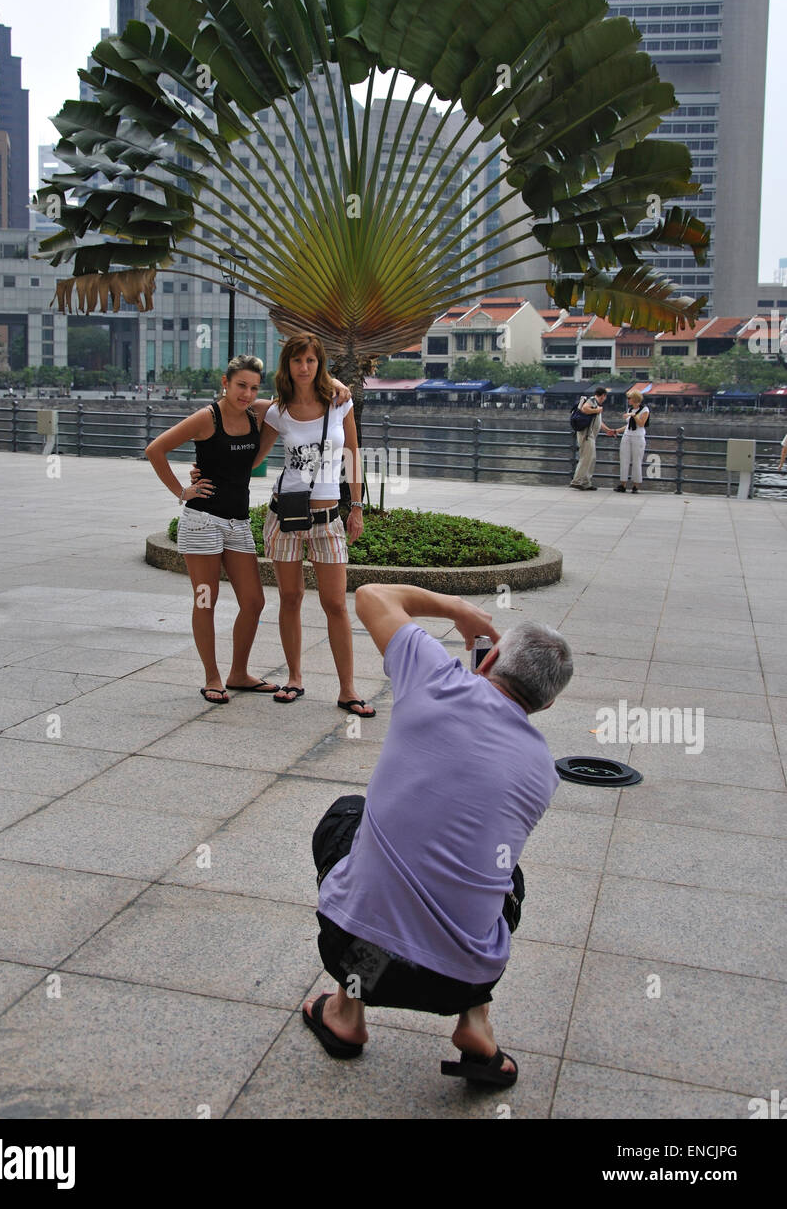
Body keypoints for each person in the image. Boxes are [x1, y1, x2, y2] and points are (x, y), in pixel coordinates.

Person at [302, 584, 573, 1087]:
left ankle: (346, 1015)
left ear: (487, 661)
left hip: (359, 953)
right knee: (504, 877)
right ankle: (476, 1022)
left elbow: (370, 596)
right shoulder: (543, 769)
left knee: (347, 815)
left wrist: (461, 610)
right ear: (547, 705)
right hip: (463, 979)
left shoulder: (436, 676)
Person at [145, 355, 279, 705]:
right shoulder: (208, 417)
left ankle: (238, 673)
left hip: (238, 523)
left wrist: (340, 388)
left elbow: (296, 398)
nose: (247, 393)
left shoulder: (256, 412)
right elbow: (155, 449)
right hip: (202, 521)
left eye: (253, 387)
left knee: (254, 601)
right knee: (206, 600)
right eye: (240, 386)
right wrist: (181, 491)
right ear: (225, 382)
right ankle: (212, 677)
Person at [254, 332, 375, 717]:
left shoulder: (340, 402)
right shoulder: (277, 411)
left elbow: (354, 452)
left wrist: (356, 507)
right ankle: (294, 677)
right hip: (286, 515)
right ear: (287, 366)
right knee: (290, 599)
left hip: (328, 518)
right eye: (296, 361)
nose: (304, 368)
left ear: (319, 363)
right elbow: (249, 446)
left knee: (336, 604)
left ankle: (348, 689)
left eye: (310, 360)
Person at [570, 386, 617, 489]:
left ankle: (586, 482)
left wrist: (607, 430)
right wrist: (597, 410)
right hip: (586, 435)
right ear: (603, 396)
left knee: (591, 458)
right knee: (586, 458)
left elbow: (598, 422)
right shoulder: (592, 401)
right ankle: (577, 481)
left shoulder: (596, 404)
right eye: (605, 397)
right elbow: (585, 409)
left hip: (591, 435)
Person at [614, 388, 650, 493]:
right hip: (627, 435)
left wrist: (634, 415)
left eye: (629, 398)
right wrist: (617, 431)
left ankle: (636, 485)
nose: (628, 400)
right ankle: (623, 484)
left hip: (638, 437)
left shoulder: (645, 410)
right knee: (624, 460)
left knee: (636, 461)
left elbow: (641, 424)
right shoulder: (630, 410)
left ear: (635, 399)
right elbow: (628, 425)